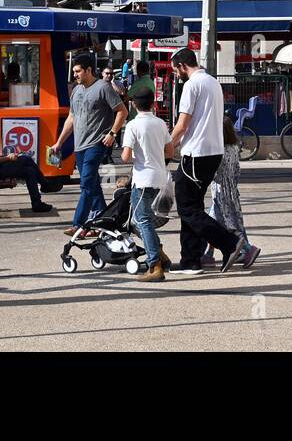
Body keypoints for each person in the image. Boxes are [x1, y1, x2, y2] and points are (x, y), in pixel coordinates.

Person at [166, 47, 245, 274]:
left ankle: (229, 244)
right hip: (214, 151)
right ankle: (191, 260)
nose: (176, 75)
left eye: (175, 70)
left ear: (182, 65)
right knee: (194, 206)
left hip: (196, 153)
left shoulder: (192, 85)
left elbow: (183, 124)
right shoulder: (213, 82)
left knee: (187, 208)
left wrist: (167, 145)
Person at [50, 53, 126, 237]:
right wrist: (59, 142)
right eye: (74, 71)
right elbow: (72, 117)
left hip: (96, 143)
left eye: (77, 71)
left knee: (85, 185)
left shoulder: (103, 88)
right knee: (93, 186)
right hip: (80, 145)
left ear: (89, 70)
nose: (74, 75)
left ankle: (79, 224)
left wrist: (112, 133)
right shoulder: (76, 90)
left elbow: (122, 111)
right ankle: (105, 223)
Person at [120, 88, 173, 282]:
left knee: (142, 222)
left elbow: (125, 156)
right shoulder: (160, 123)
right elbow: (169, 151)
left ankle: (154, 265)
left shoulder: (133, 126)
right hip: (160, 178)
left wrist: (138, 154)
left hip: (142, 179)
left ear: (134, 104)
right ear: (153, 103)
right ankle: (161, 257)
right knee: (146, 222)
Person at [200, 115, 261, 269]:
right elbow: (236, 170)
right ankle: (208, 254)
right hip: (232, 189)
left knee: (227, 224)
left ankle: (248, 249)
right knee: (216, 221)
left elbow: (213, 172)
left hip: (220, 190)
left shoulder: (219, 151)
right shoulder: (234, 148)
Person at [0, 113, 54, 212]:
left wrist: (9, 157)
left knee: (29, 171)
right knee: (26, 159)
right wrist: (8, 158)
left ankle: (37, 203)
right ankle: (45, 184)